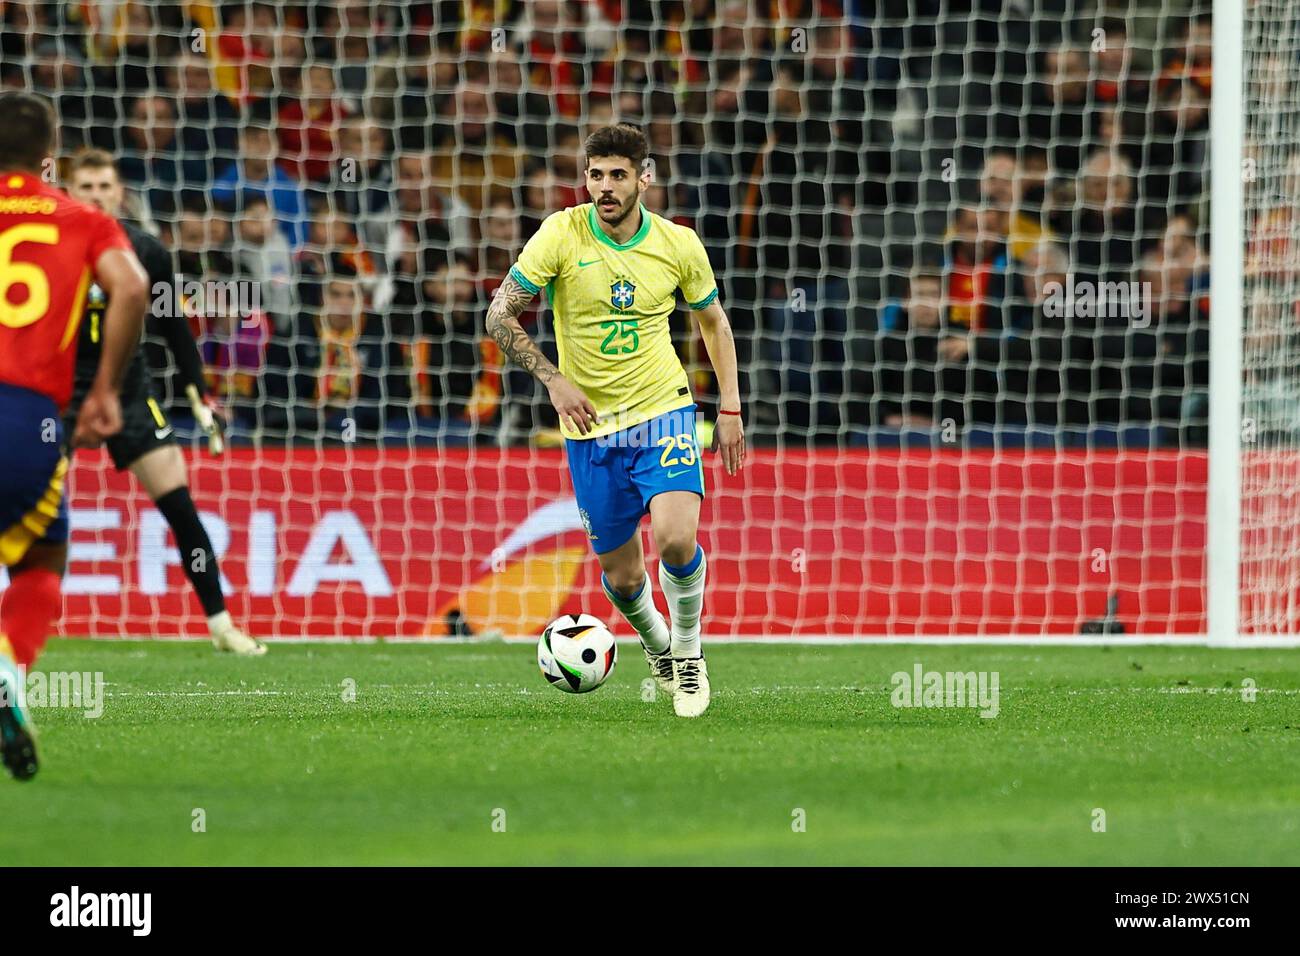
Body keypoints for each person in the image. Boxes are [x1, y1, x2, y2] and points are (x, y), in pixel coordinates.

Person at [485, 123, 744, 718]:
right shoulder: (562, 233)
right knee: (625, 579)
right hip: (591, 429)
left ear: (644, 179)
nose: (604, 187)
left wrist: (729, 407)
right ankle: (658, 646)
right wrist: (553, 379)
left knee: (676, 538)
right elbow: (500, 314)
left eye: (618, 175)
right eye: (596, 174)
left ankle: (687, 655)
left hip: (663, 411)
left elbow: (714, 324)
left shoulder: (678, 244)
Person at [63, 149, 266, 657]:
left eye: (103, 186)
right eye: (85, 186)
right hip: (59, 388)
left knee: (179, 505)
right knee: (22, 497)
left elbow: (174, 326)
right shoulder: (52, 246)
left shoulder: (147, 250)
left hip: (129, 387)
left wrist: (198, 390)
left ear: (118, 192)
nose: (95, 196)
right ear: (68, 191)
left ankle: (221, 625)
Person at [0, 92, 149, 779]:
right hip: (29, 416)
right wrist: (105, 390)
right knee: (43, 556)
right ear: (48, 156)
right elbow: (132, 287)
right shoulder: (81, 219)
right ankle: (8, 670)